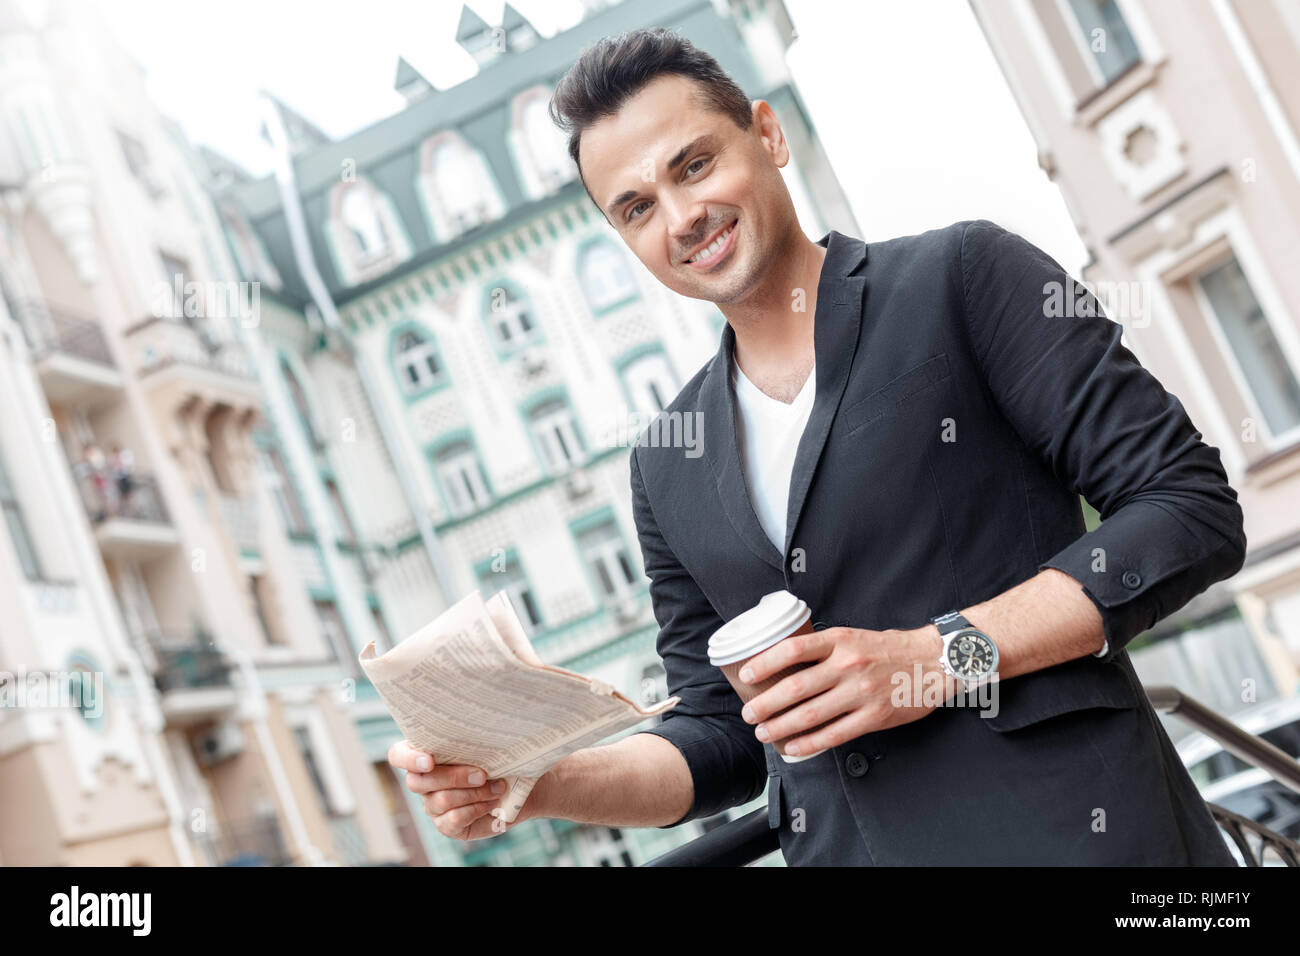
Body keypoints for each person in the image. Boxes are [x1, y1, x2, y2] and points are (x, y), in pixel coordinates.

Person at [390, 28, 1247, 865]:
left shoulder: (965, 277)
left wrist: (939, 655)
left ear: (768, 133)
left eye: (694, 165)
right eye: (638, 207)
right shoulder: (665, 464)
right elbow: (719, 734)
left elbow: (1188, 509)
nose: (683, 218)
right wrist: (537, 783)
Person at [110, 444, 135, 518]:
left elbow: (127, 466)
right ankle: (124, 511)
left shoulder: (125, 456)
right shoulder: (113, 458)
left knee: (128, 494)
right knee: (122, 495)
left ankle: (132, 510)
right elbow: (115, 469)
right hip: (120, 478)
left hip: (125, 476)